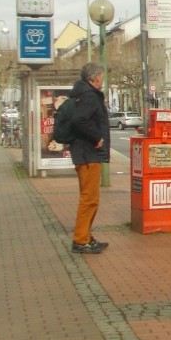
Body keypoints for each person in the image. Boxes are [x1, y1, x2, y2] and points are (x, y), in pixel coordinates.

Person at [68, 62, 111, 253]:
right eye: (101, 76)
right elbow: (79, 120)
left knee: (91, 198)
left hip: (85, 153)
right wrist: (97, 137)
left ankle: (86, 235)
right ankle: (80, 239)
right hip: (88, 154)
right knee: (89, 198)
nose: (103, 80)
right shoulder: (90, 96)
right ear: (95, 78)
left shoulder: (81, 93)